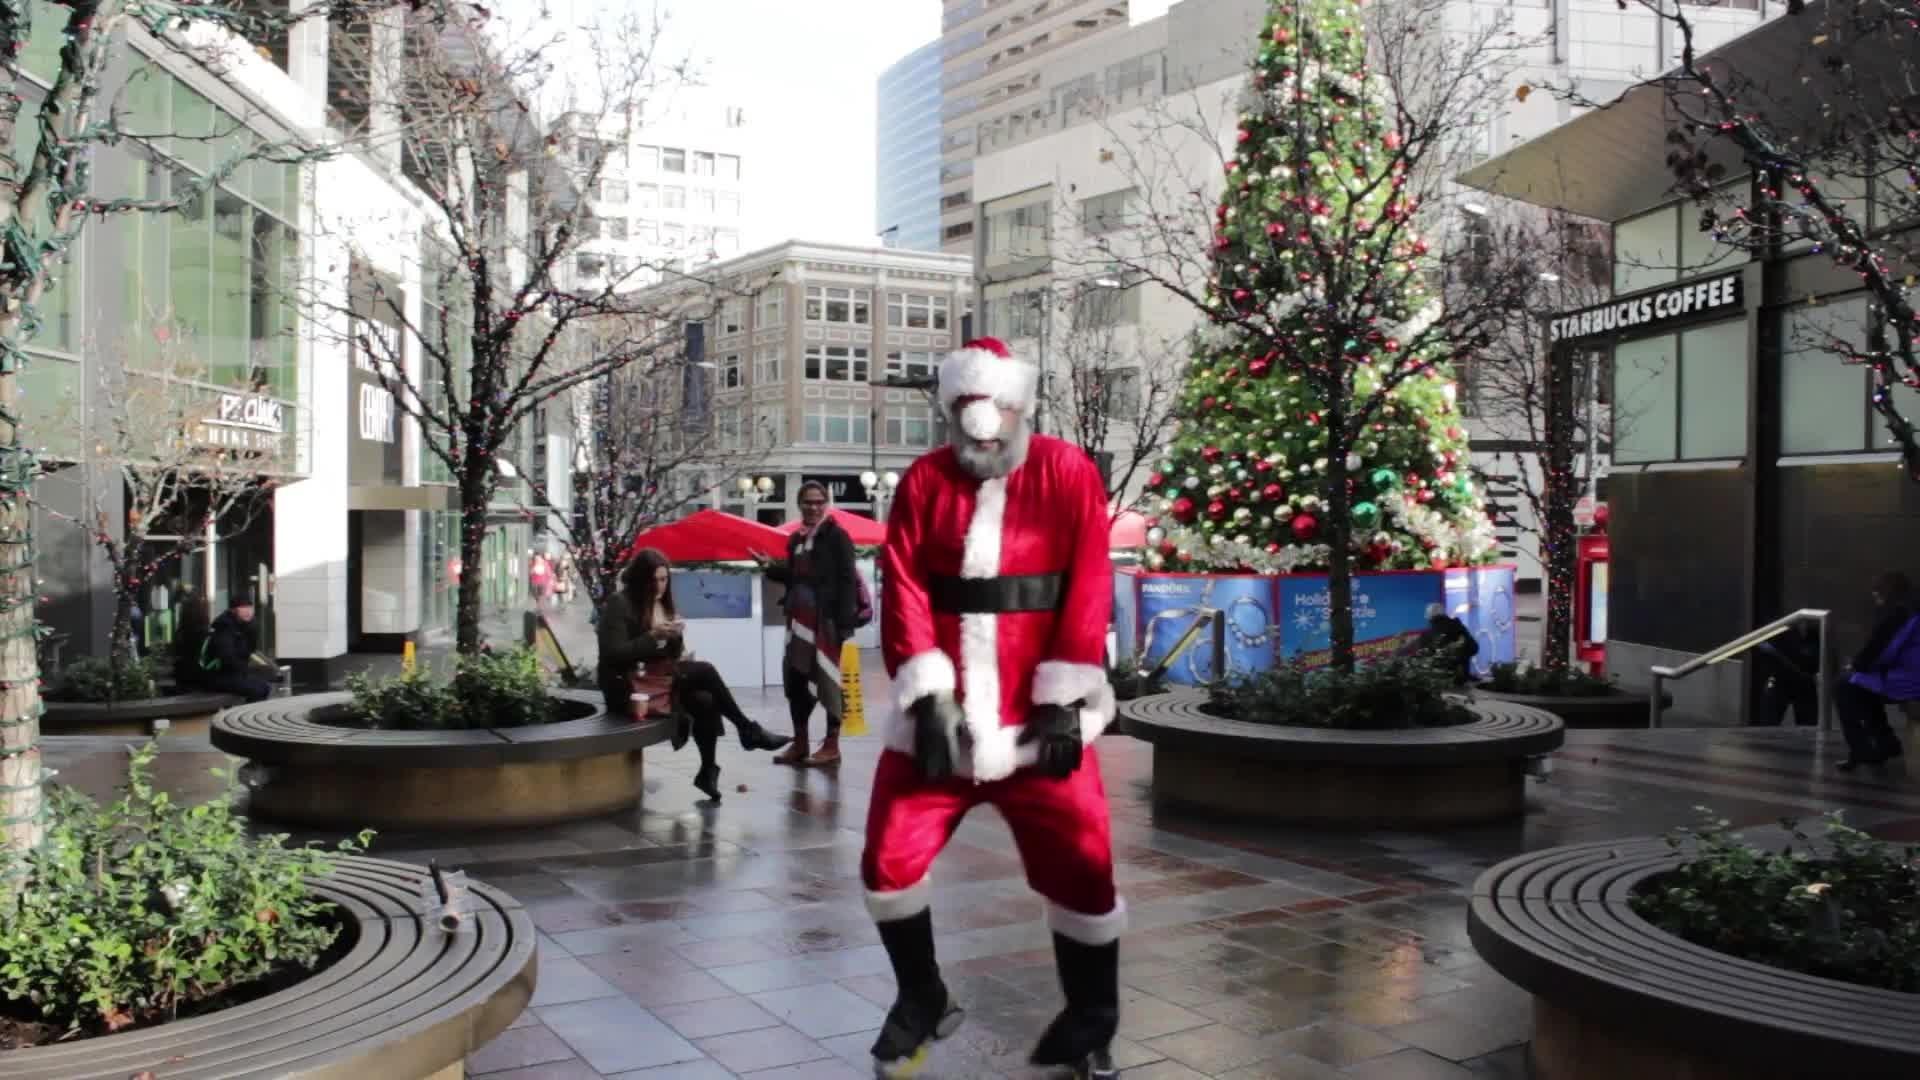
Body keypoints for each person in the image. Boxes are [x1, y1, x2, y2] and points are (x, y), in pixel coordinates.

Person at [863, 337, 1123, 1080]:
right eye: (968, 414)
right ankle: (923, 998)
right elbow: (904, 584)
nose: (987, 429)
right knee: (886, 861)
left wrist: (1066, 697)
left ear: (1020, 407)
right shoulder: (921, 481)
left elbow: (1089, 579)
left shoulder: (1068, 472)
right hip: (942, 726)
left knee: (1084, 870)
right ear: (949, 412)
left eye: (1002, 411)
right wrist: (929, 691)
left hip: (1043, 726)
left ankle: (1091, 1019)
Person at [597, 548, 790, 799]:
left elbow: (671, 654)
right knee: (706, 671)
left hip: (660, 679)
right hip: (628, 686)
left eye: (664, 579)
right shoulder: (620, 603)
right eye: (653, 580)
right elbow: (612, 653)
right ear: (639, 579)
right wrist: (652, 636)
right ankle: (748, 730)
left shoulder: (662, 604)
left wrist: (675, 637)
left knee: (705, 700)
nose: (659, 586)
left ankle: (708, 770)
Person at [754, 480, 860, 768]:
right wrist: (769, 567)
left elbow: (847, 579)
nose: (813, 507)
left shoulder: (836, 536)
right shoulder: (797, 539)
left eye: (818, 502)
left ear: (825, 505)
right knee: (796, 680)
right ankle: (800, 743)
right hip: (798, 621)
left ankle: (831, 745)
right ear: (799, 505)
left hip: (825, 621)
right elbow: (795, 576)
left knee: (828, 680)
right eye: (808, 502)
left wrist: (843, 625)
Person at [1835, 571, 1920, 770]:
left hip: (1911, 680)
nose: (1876, 601)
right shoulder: (1912, 608)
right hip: (1907, 674)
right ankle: (1885, 742)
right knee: (1862, 685)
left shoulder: (1900, 613)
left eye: (1876, 595)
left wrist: (1856, 666)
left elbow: (1882, 651)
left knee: (1843, 686)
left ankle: (1861, 749)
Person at [193, 591, 275, 702]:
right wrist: (245, 672)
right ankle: (244, 717)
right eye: (242, 607)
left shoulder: (247, 627)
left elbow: (249, 651)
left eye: (249, 606)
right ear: (233, 610)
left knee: (267, 681)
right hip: (217, 675)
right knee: (258, 689)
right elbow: (228, 658)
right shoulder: (224, 627)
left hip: (233, 673)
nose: (247, 610)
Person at [1752, 622, 1819, 727]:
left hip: (1804, 680)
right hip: (1781, 679)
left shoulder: (1814, 636)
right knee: (1769, 719)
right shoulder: (1783, 634)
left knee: (1808, 722)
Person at [1414, 602, 1479, 685]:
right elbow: (1474, 648)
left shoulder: (1427, 635)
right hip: (1460, 681)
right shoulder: (1458, 628)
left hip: (1437, 683)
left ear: (1430, 618)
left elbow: (1421, 659)